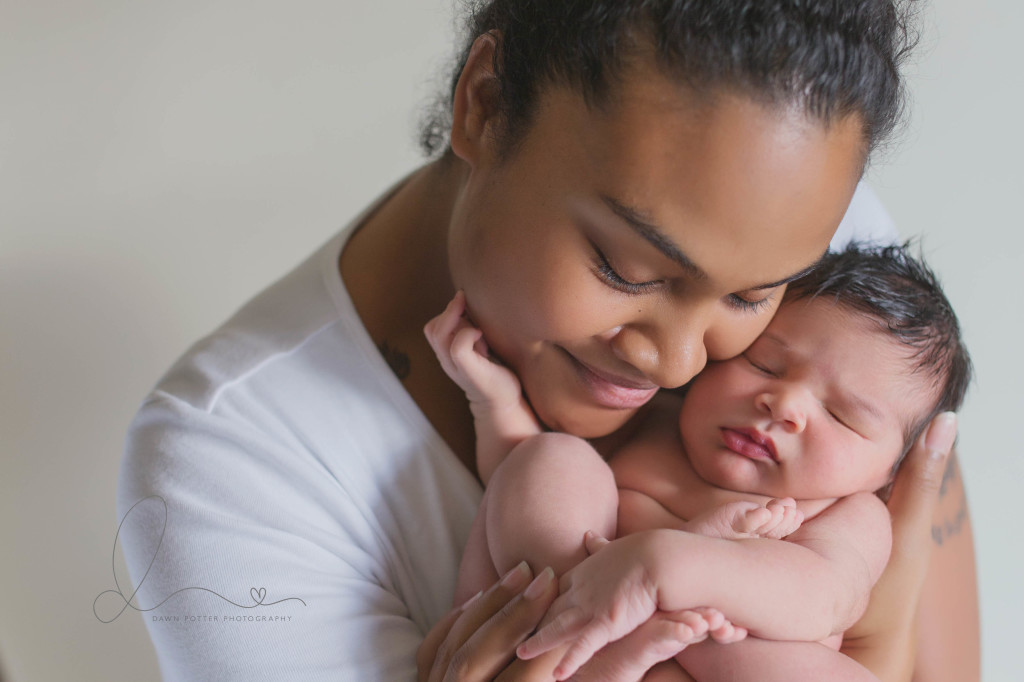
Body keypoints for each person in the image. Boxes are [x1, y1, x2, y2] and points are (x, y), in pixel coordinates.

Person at [117, 1, 979, 680]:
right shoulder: (227, 467)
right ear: (485, 104)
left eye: (752, 298)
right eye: (627, 268)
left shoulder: (821, 269)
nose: (681, 362)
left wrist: (875, 644)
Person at [425, 243, 972, 681]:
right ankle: (581, 621)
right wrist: (494, 404)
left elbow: (824, 598)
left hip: (715, 655)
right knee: (550, 456)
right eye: (766, 364)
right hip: (555, 622)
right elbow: (517, 483)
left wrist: (666, 567)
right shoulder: (655, 423)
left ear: (889, 476)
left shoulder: (850, 514)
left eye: (842, 415)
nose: (784, 405)